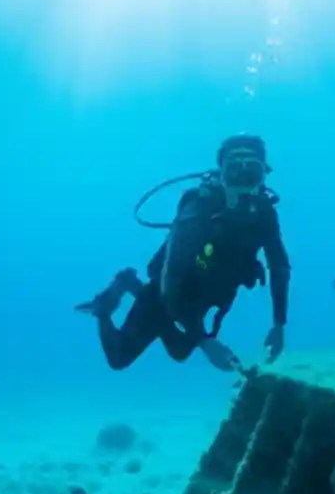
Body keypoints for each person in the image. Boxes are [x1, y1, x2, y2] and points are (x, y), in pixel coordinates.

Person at [76, 134, 291, 371]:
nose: (242, 181)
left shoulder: (265, 214)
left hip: (210, 290)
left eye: (251, 172)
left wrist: (279, 324)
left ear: (264, 176)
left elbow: (279, 266)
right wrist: (206, 342)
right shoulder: (198, 211)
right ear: (221, 175)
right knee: (119, 358)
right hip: (170, 288)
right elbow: (172, 280)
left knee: (179, 351)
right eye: (233, 171)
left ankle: (131, 284)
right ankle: (104, 308)